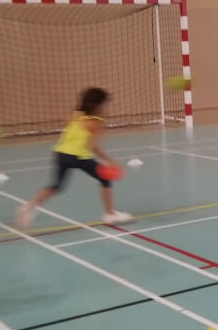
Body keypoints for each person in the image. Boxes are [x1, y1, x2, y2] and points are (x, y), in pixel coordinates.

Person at [16, 87, 133, 230]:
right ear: (98, 105)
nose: (107, 107)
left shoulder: (76, 114)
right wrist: (110, 161)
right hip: (78, 157)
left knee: (56, 186)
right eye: (105, 104)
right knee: (105, 179)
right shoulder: (96, 122)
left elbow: (65, 123)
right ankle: (110, 214)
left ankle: (28, 207)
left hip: (61, 154)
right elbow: (92, 147)